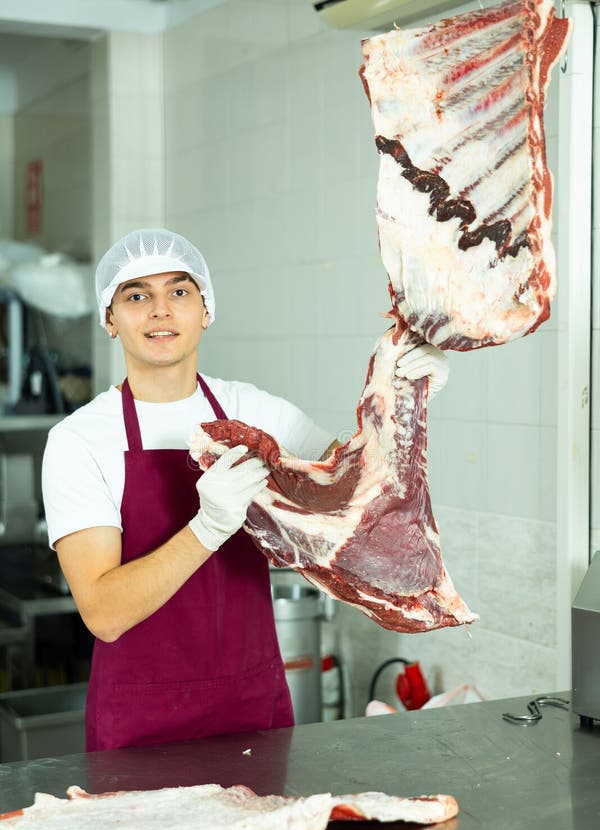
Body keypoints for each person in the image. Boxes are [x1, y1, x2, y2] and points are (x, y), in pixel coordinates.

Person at [42, 228, 448, 752]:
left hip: (252, 711)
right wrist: (207, 529)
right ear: (110, 319)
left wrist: (406, 398)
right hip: (140, 728)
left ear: (206, 311)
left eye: (179, 291)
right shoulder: (79, 440)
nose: (160, 310)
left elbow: (358, 490)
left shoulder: (254, 410)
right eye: (137, 295)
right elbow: (104, 612)